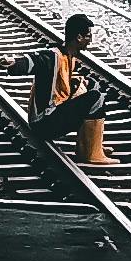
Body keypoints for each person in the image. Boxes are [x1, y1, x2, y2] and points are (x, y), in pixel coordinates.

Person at [27, 12, 102, 155]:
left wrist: (77, 83)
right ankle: (91, 153)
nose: (90, 41)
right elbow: (35, 61)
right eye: (88, 36)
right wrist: (14, 63)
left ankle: (86, 144)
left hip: (48, 120)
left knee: (92, 85)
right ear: (79, 37)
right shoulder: (54, 56)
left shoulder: (69, 57)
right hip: (44, 124)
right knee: (96, 97)